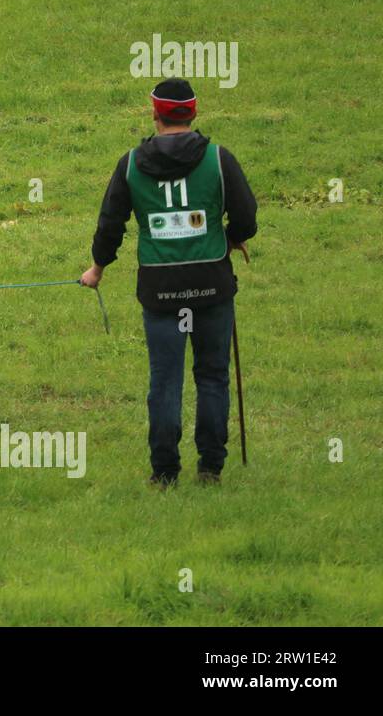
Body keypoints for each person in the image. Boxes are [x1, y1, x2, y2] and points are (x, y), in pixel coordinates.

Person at [80, 79, 257, 487]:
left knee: (165, 380)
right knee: (212, 376)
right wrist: (231, 239)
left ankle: (164, 473)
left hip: (161, 292)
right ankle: (210, 467)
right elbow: (246, 215)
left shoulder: (129, 164)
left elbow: (111, 224)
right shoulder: (218, 159)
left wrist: (98, 269)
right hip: (212, 284)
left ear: (154, 114)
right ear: (193, 113)